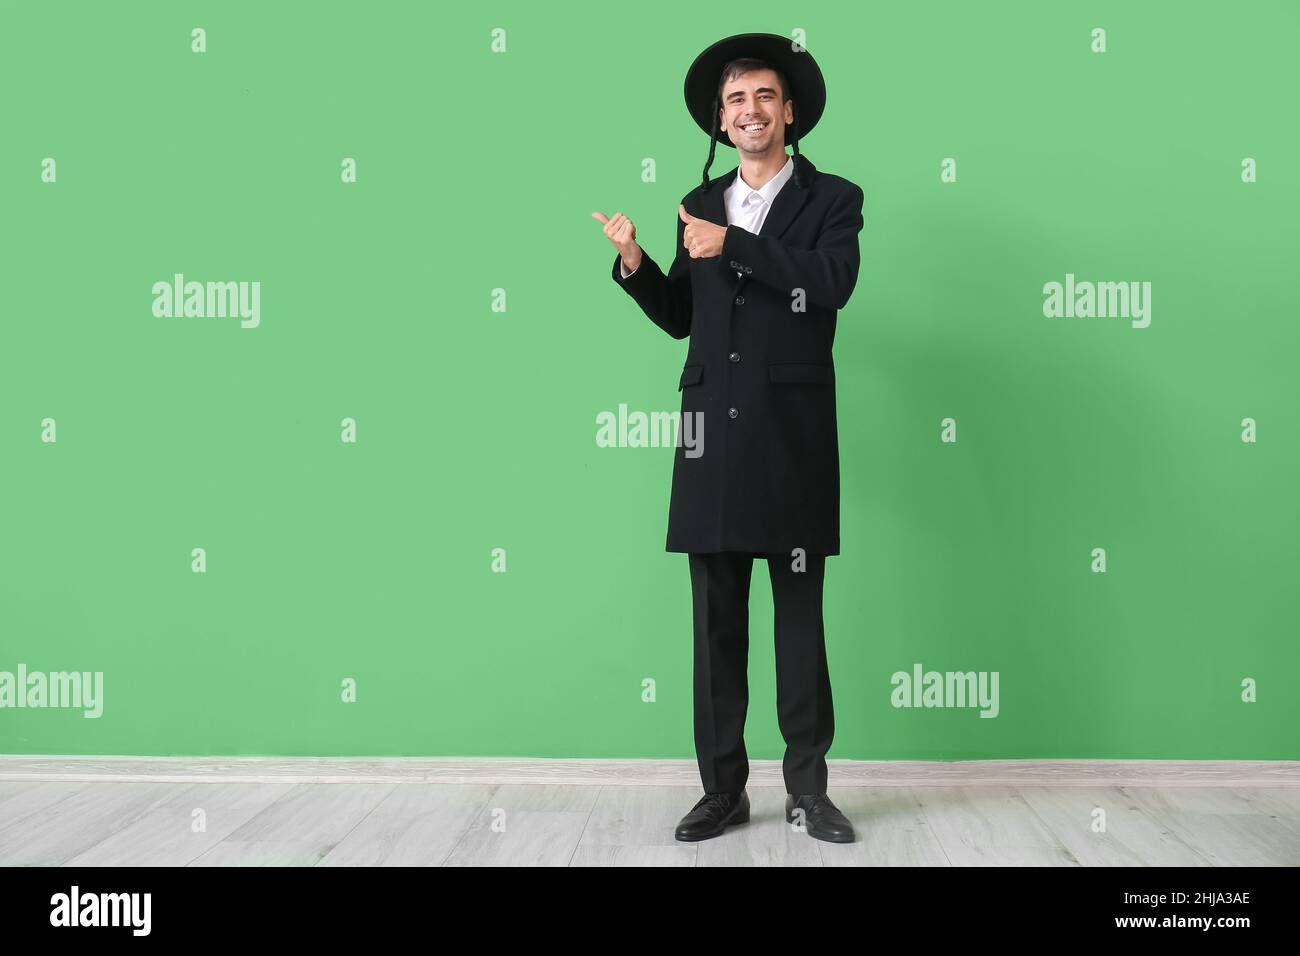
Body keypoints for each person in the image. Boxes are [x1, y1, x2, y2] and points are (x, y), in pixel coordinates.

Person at [593, 33, 865, 844]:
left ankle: (809, 792)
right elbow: (686, 318)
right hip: (710, 441)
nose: (750, 110)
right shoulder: (697, 204)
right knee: (715, 629)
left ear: (790, 113)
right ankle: (722, 791)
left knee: (799, 623)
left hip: (793, 441)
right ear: (721, 119)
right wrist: (639, 263)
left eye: (764, 97)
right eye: (735, 100)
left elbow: (833, 285)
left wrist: (736, 246)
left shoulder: (834, 198)